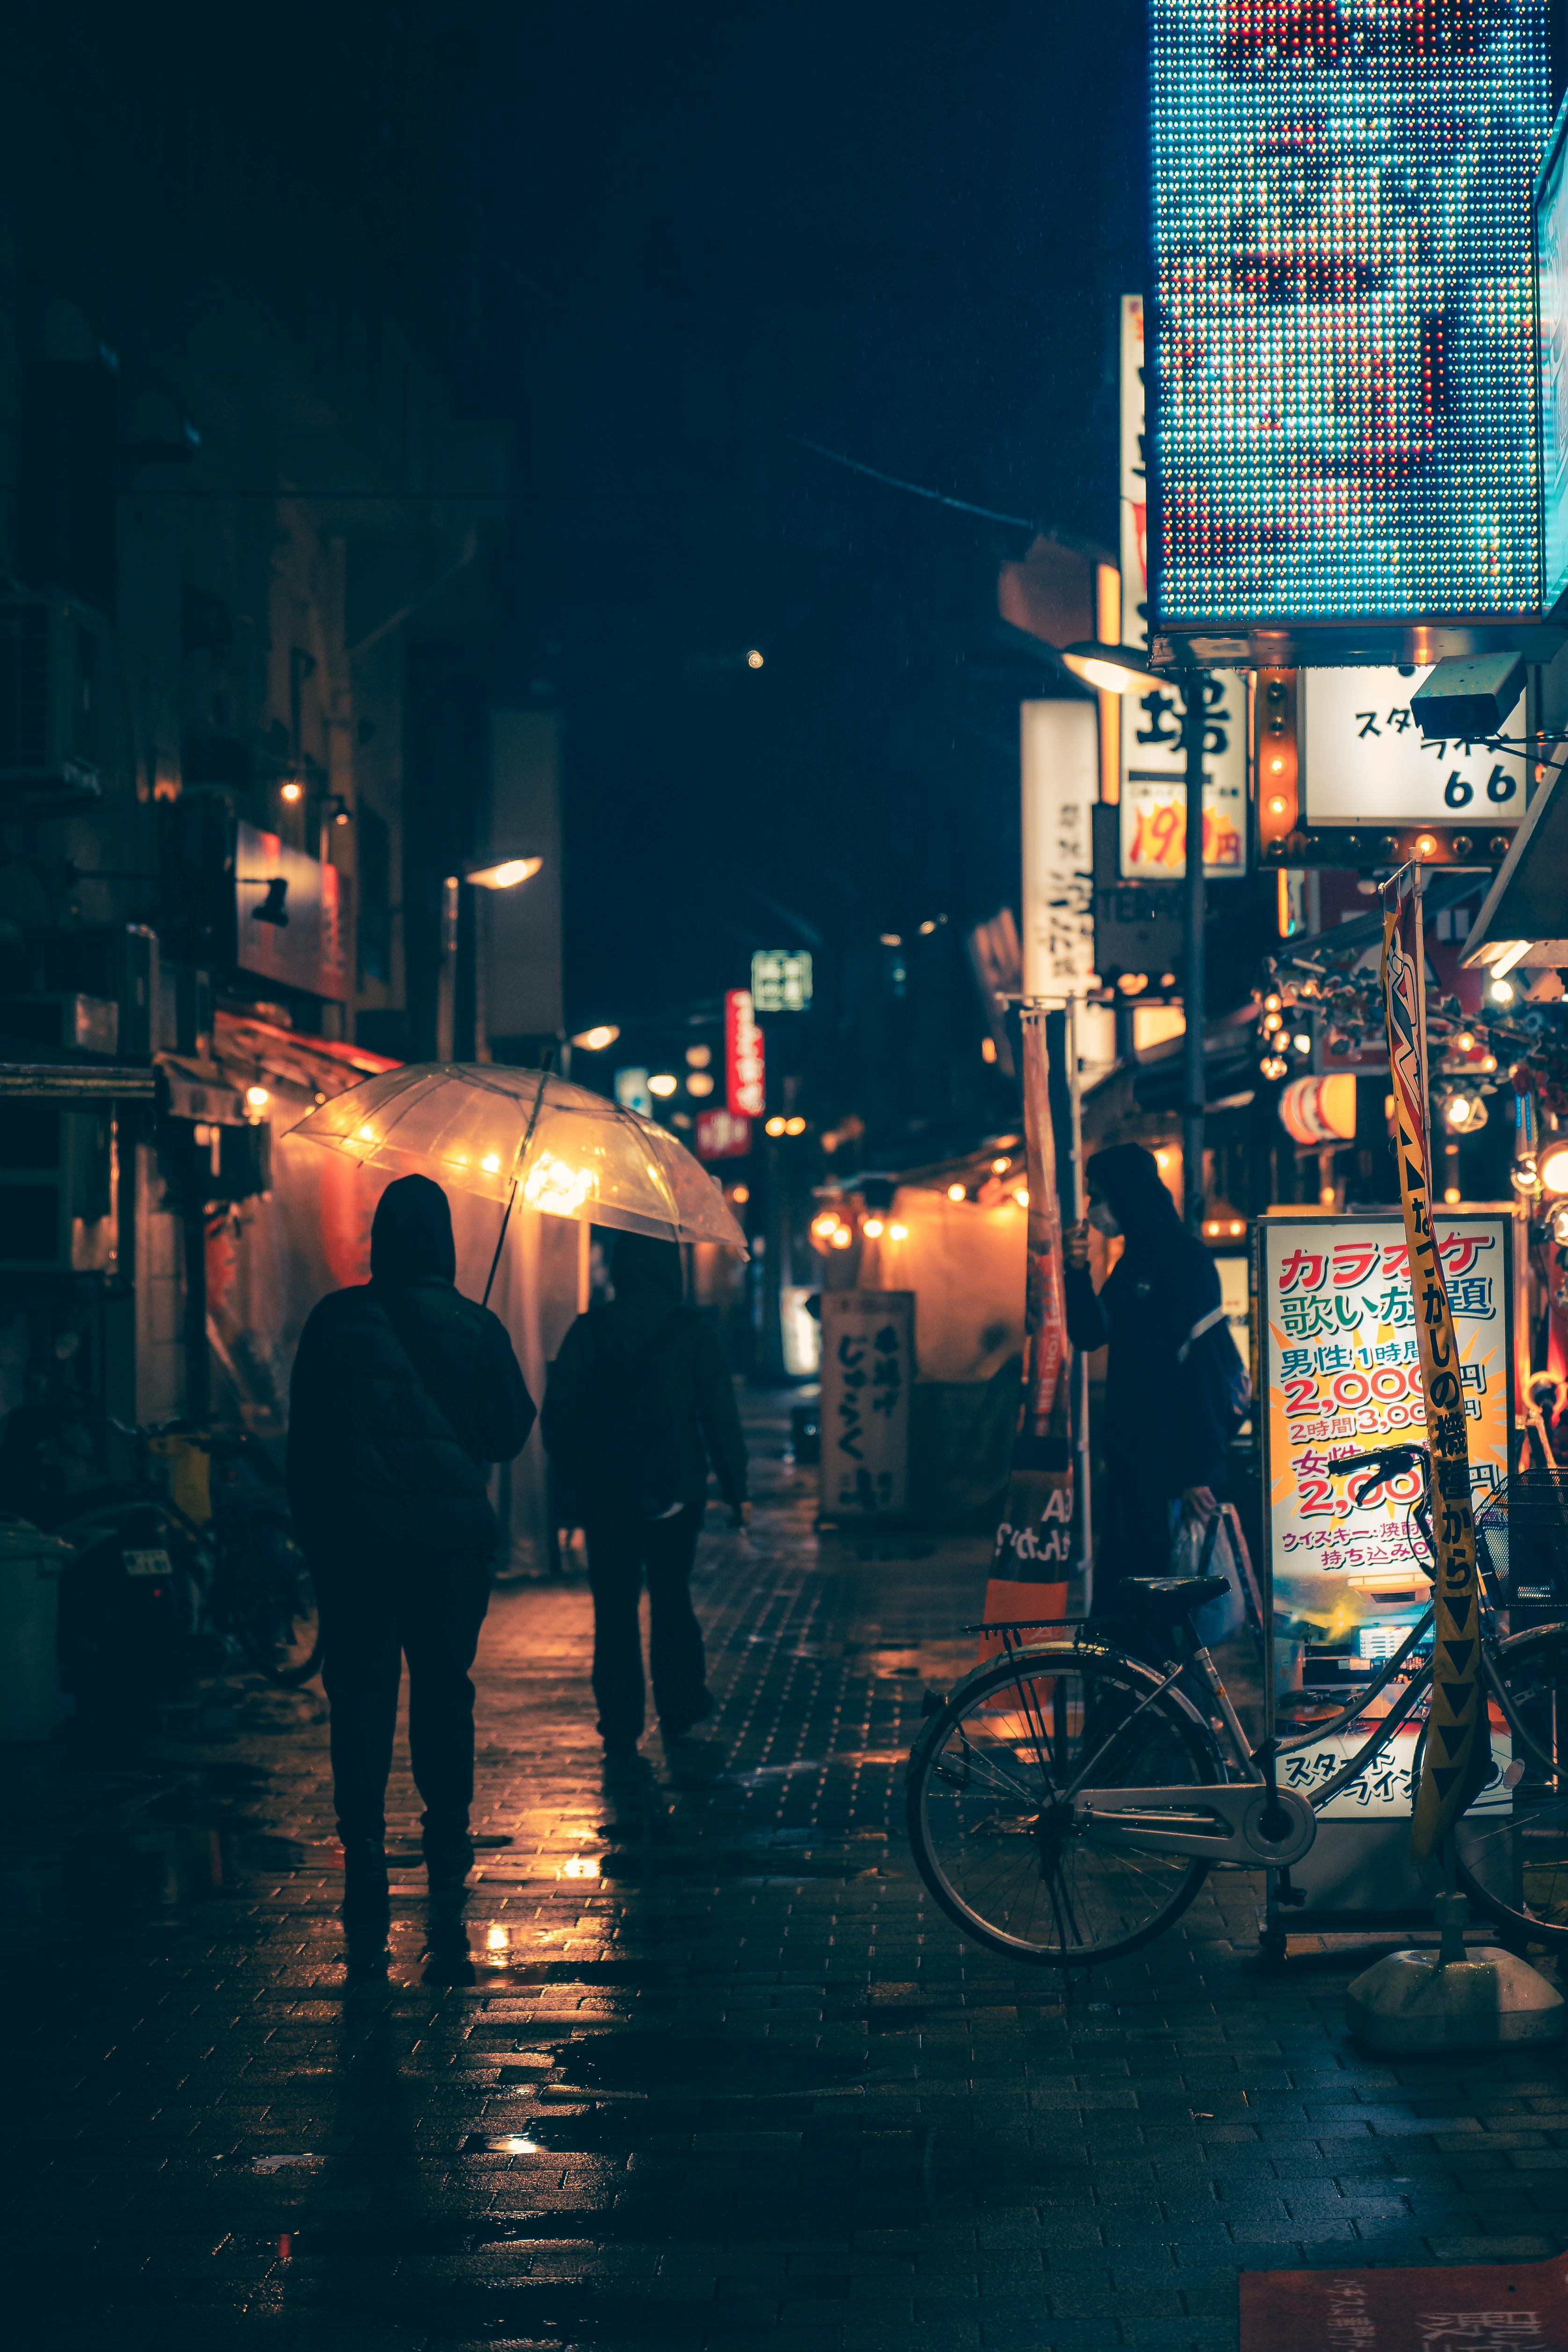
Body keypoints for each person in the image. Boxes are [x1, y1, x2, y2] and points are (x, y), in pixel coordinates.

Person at [287, 1173, 534, 1953]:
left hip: (356, 1547)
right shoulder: (477, 1325)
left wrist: (314, 1536)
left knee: (359, 1691)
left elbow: (306, 1447)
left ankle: (362, 1846)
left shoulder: (333, 1322)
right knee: (441, 1688)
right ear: (448, 1242)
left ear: (382, 1240)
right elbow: (505, 1435)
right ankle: (447, 1838)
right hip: (448, 1551)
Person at [542, 1230, 748, 1760]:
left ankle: (619, 1719)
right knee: (671, 1597)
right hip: (675, 1490)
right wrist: (735, 1486)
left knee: (612, 1607)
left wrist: (578, 1480)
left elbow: (558, 1415)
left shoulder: (590, 1329)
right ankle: (678, 1704)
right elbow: (718, 1415)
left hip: (607, 1495)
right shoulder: (690, 1330)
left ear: (620, 1267)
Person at [1063, 1144, 1236, 1621]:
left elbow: (1203, 1368)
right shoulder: (1132, 1259)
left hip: (1167, 1469)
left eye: (1096, 1196)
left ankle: (1160, 1693)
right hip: (1131, 1462)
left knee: (1155, 1603)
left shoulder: (1184, 1258)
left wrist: (1199, 1470)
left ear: (1124, 1194)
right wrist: (1075, 1272)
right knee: (1130, 1598)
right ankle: (1135, 1692)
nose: (1092, 1210)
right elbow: (1090, 1333)